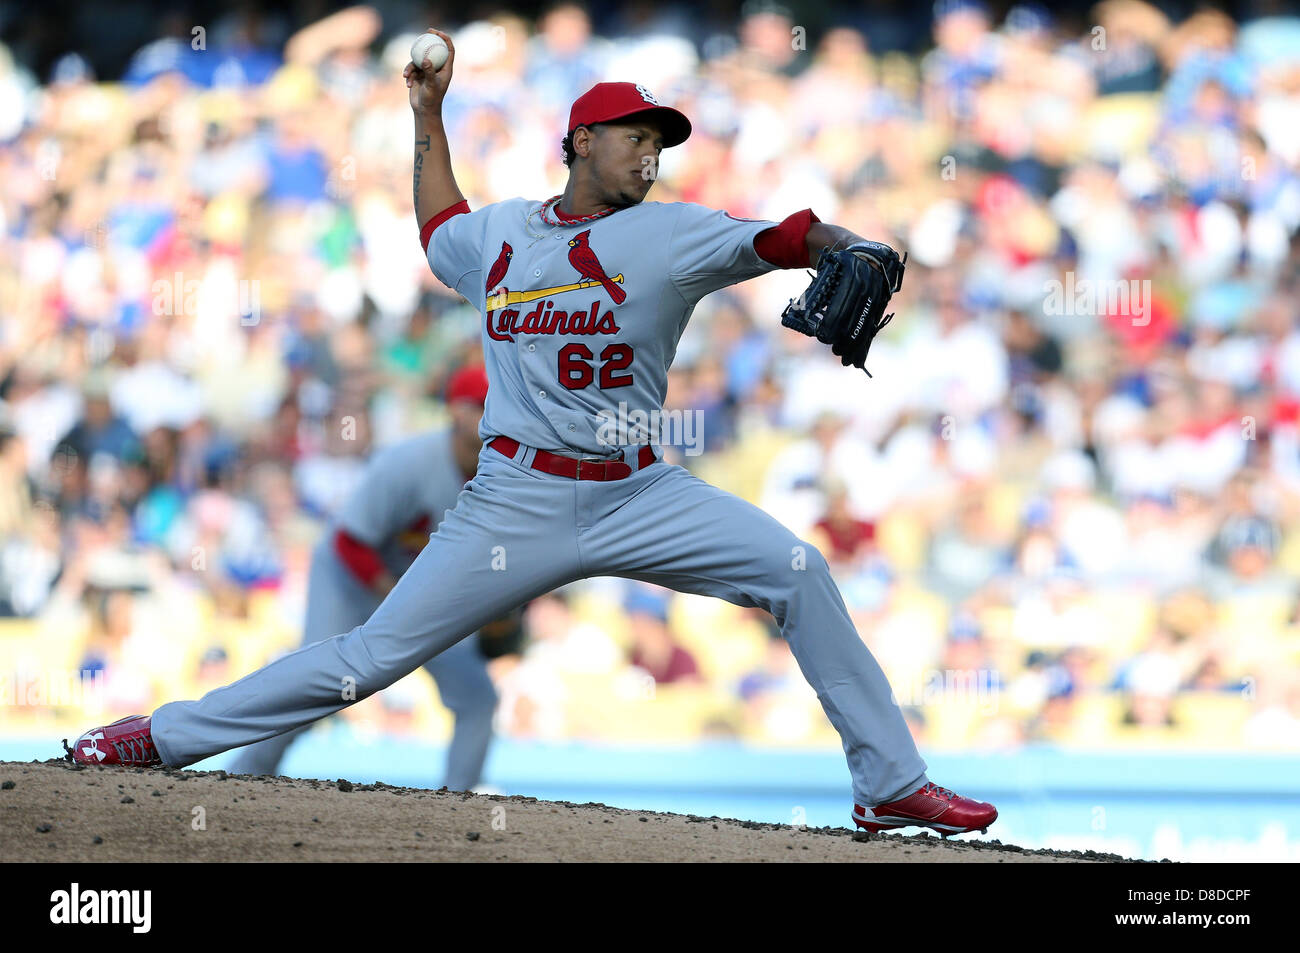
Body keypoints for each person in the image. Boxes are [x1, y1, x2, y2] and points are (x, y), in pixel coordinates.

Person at [70, 32, 997, 837]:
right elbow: (440, 228)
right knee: (368, 662)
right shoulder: (504, 234)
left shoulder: (671, 233)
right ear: (582, 141)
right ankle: (156, 737)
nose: (650, 156)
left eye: (660, 143)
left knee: (798, 571)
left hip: (641, 490)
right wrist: (427, 112)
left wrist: (846, 242)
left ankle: (891, 785)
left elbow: (785, 236)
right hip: (514, 498)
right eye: (636, 137)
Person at [226, 365, 502, 792]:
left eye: (495, 405)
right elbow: (351, 544)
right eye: (479, 405)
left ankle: (459, 801)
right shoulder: (408, 463)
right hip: (351, 582)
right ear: (453, 410)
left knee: (477, 696)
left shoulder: (504, 477)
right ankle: (243, 778)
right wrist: (403, 602)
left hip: (420, 595)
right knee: (320, 689)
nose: (489, 415)